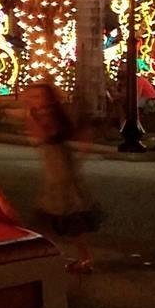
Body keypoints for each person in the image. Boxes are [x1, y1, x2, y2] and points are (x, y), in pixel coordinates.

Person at [24, 82, 100, 273]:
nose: (34, 100)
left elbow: (42, 135)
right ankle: (76, 257)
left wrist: (32, 116)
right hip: (55, 166)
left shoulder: (48, 115)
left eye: (37, 97)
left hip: (59, 169)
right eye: (32, 97)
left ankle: (75, 258)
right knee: (59, 215)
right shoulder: (46, 113)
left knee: (63, 214)